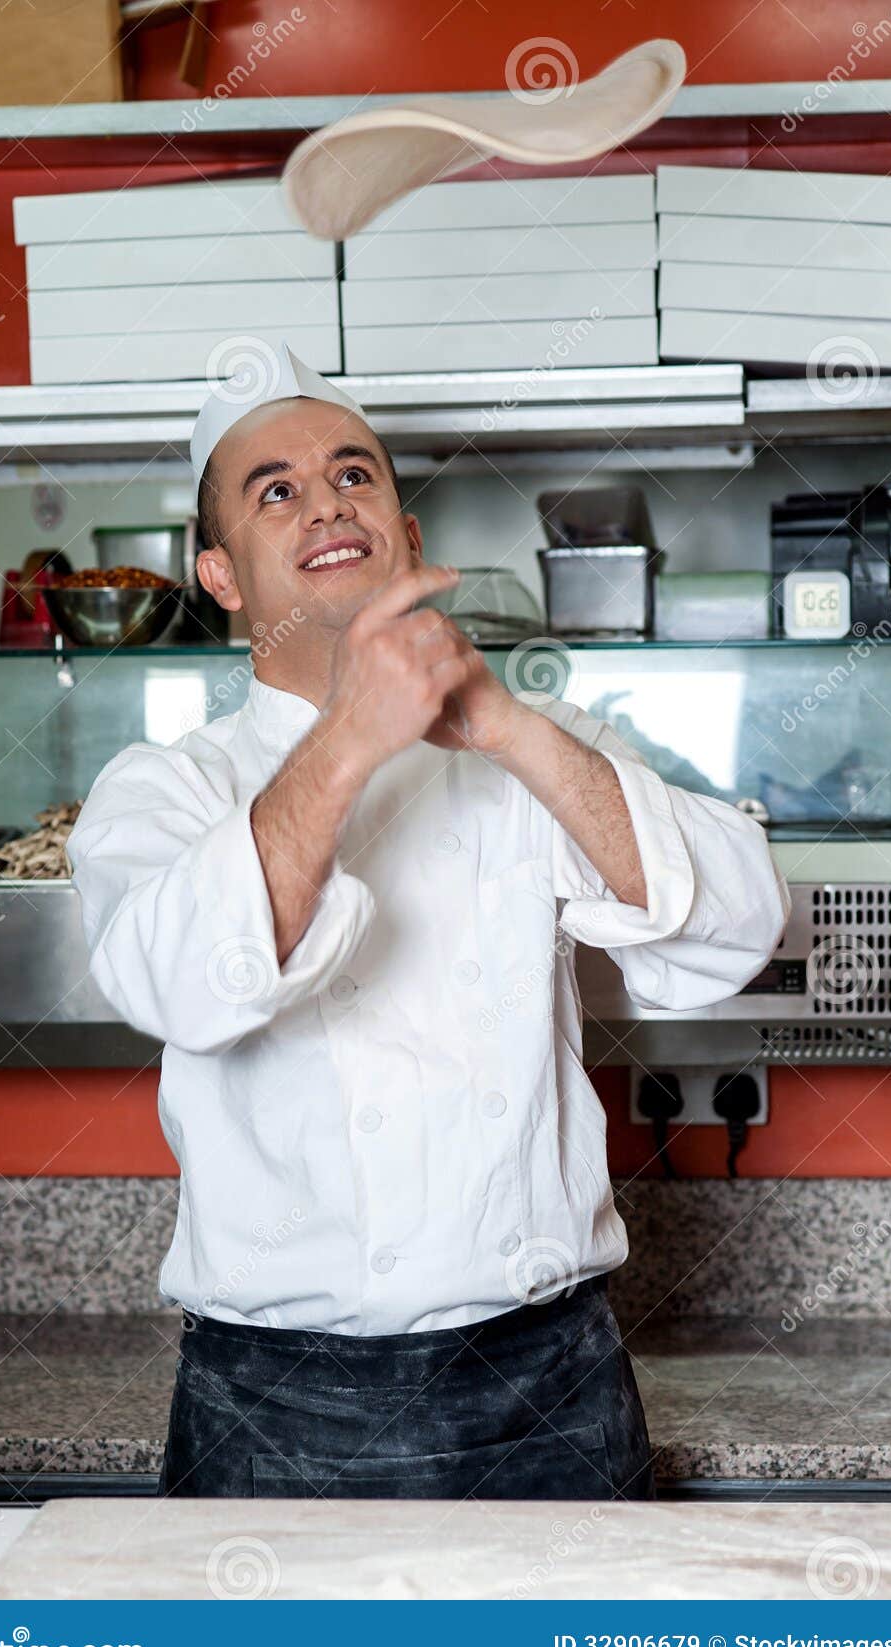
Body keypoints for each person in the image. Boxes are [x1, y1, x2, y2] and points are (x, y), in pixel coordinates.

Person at [69, 341, 789, 1503]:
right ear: (221, 576)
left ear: (405, 535)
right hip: (272, 1406)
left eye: (353, 475)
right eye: (276, 491)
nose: (326, 503)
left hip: (550, 1384)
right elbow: (186, 981)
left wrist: (502, 724)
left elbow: (740, 925)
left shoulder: (539, 742)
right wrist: (353, 733)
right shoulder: (163, 789)